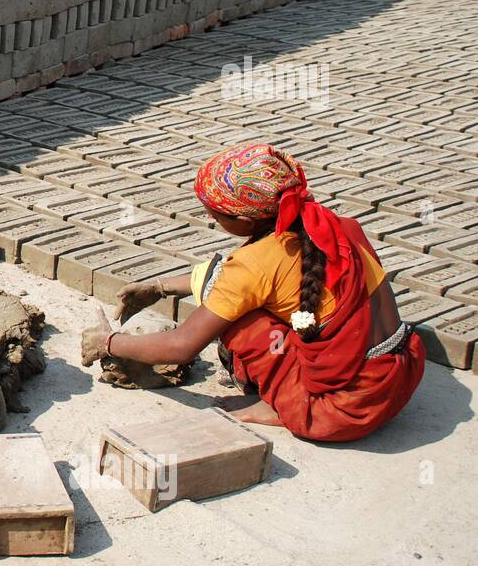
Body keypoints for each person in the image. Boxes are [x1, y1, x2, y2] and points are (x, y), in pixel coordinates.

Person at [80, 143, 426, 442]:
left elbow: (181, 346)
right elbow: (251, 279)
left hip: (341, 410)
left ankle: (282, 404)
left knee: (238, 322)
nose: (213, 220)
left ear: (244, 221)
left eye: (215, 215)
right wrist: (161, 287)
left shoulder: (254, 265)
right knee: (236, 300)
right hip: (398, 380)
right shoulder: (332, 226)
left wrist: (109, 343)